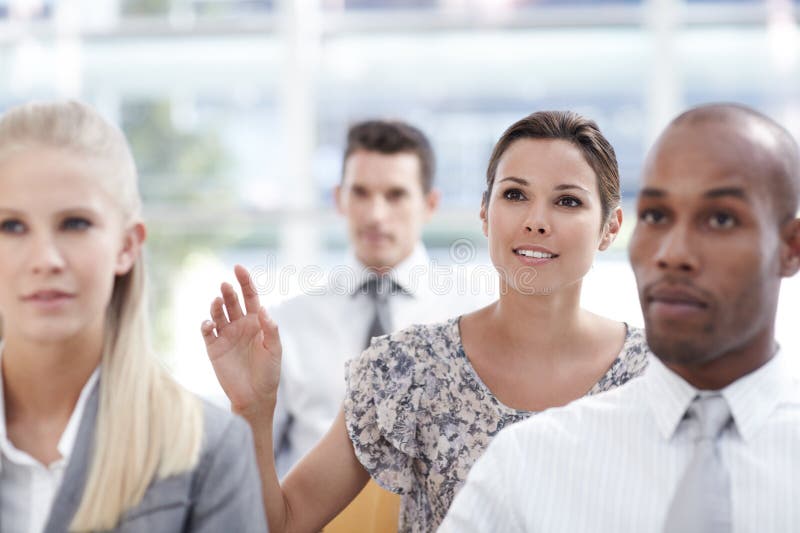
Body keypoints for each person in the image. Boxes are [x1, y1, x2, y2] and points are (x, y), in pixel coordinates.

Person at [201, 110, 651, 533]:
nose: (536, 220)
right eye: (515, 194)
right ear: (483, 212)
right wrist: (253, 412)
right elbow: (283, 522)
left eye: (567, 201)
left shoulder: (655, 374)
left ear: (610, 227)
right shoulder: (404, 367)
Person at [439, 103, 800, 533]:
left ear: (791, 247)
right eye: (656, 216)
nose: (672, 254)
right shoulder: (528, 462)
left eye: (720, 219)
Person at [0, 101, 267, 533]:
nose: (44, 259)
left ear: (126, 246)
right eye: (11, 226)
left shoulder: (207, 449)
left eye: (74, 223)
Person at [268, 120, 488, 476]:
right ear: (339, 198)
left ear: (430, 204)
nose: (375, 215)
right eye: (361, 193)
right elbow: (254, 466)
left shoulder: (474, 320)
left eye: (396, 195)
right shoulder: (287, 323)